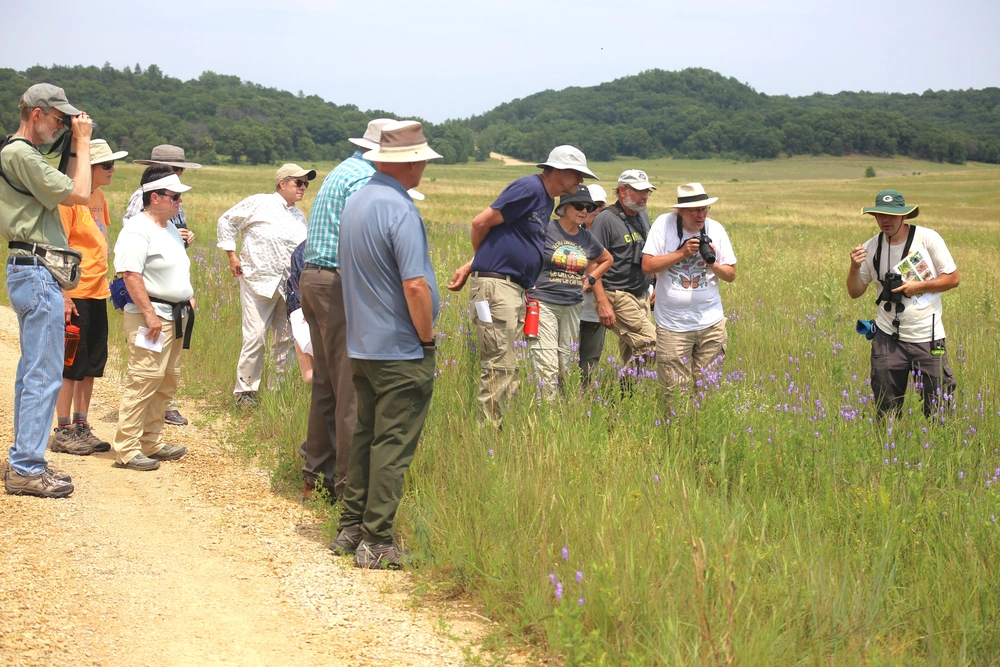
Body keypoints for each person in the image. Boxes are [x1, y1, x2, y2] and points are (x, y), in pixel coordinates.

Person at [328, 120, 441, 569]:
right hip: (400, 346)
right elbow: (415, 285)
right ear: (408, 162)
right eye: (421, 161)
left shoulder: (356, 202)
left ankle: (350, 526)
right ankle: (377, 540)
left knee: (365, 436)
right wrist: (427, 338)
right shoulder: (399, 209)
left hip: (363, 344)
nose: (423, 168)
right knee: (393, 444)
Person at [447, 145, 598, 426]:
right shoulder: (529, 188)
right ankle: (489, 436)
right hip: (497, 288)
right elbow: (480, 222)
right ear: (560, 170)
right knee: (499, 364)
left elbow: (507, 239)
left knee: (509, 363)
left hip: (513, 288)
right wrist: (483, 266)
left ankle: (498, 429)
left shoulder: (544, 200)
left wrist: (473, 265)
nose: (580, 182)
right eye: (577, 175)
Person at [1, 83, 92, 497]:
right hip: (36, 270)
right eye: (58, 119)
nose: (62, 127)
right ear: (36, 113)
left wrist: (72, 142)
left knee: (32, 373)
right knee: (43, 374)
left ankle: (25, 458)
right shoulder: (20, 153)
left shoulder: (22, 154)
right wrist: (85, 142)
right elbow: (80, 193)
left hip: (32, 270)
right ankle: (26, 468)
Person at [300, 118, 391, 501]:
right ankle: (350, 491)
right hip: (338, 285)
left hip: (314, 279)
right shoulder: (364, 179)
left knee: (325, 386)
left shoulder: (344, 169)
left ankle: (316, 475)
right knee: (350, 389)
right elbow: (361, 239)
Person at [846, 190, 959, 418]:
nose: (885, 220)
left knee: (939, 407)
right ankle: (888, 448)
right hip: (887, 337)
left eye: (891, 216)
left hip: (928, 336)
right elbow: (855, 292)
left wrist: (917, 287)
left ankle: (937, 450)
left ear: (904, 216)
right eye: (879, 215)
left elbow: (953, 278)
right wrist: (854, 267)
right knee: (886, 409)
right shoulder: (871, 247)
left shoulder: (927, 239)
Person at [111, 166, 194, 471]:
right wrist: (148, 314)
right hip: (152, 317)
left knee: (166, 381)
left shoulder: (169, 227)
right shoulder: (137, 228)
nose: (179, 202)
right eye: (174, 197)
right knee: (144, 379)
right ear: (155, 197)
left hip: (176, 314)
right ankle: (128, 448)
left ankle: (151, 441)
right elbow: (130, 275)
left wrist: (189, 296)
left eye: (179, 197)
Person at [52, 139, 129, 456]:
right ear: (88, 167)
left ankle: (82, 424)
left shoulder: (98, 197)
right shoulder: (68, 199)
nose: (112, 170)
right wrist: (64, 294)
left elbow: (102, 239)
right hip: (77, 291)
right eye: (107, 165)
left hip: (98, 291)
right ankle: (63, 429)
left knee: (92, 364)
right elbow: (58, 249)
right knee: (71, 363)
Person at [217, 164, 314, 406]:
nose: (303, 188)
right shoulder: (259, 202)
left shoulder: (299, 216)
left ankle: (277, 393)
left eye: (306, 184)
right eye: (298, 182)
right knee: (255, 337)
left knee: (287, 340)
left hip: (289, 287)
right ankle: (245, 392)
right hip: (258, 281)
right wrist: (231, 254)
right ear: (282, 183)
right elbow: (227, 221)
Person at [642, 183, 737, 409]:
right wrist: (682, 253)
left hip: (711, 323)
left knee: (707, 390)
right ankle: (675, 438)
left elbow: (731, 274)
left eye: (704, 209)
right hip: (673, 326)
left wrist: (711, 263)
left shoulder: (716, 229)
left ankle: (700, 437)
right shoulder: (663, 226)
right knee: (674, 392)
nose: (701, 215)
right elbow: (647, 266)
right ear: (681, 211)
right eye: (694, 210)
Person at [124, 144, 199, 425]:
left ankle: (154, 430)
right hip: (152, 301)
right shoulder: (142, 204)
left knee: (168, 372)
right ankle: (131, 441)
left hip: (173, 303)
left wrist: (182, 237)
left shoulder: (172, 201)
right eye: (176, 170)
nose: (179, 175)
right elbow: (135, 255)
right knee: (146, 373)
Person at [527, 185, 612, 399]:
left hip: (573, 306)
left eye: (589, 207)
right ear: (564, 207)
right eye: (579, 206)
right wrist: (527, 283)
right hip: (544, 302)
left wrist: (590, 278)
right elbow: (523, 252)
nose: (585, 211)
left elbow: (607, 259)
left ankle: (561, 412)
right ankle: (546, 413)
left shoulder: (586, 237)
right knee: (547, 363)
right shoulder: (546, 230)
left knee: (565, 363)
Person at [590, 170, 657, 385]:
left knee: (633, 353)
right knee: (651, 345)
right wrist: (602, 303)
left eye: (647, 191)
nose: (644, 196)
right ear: (622, 190)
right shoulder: (605, 219)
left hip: (641, 295)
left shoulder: (642, 216)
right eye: (639, 191)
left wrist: (655, 284)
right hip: (616, 293)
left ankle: (625, 401)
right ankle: (617, 389)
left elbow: (647, 253)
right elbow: (593, 264)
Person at [578, 183, 608, 386]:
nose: (594, 211)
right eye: (590, 206)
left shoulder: (607, 234)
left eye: (599, 206)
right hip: (571, 308)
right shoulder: (572, 233)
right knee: (564, 357)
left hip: (595, 311)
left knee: (589, 362)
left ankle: (583, 400)